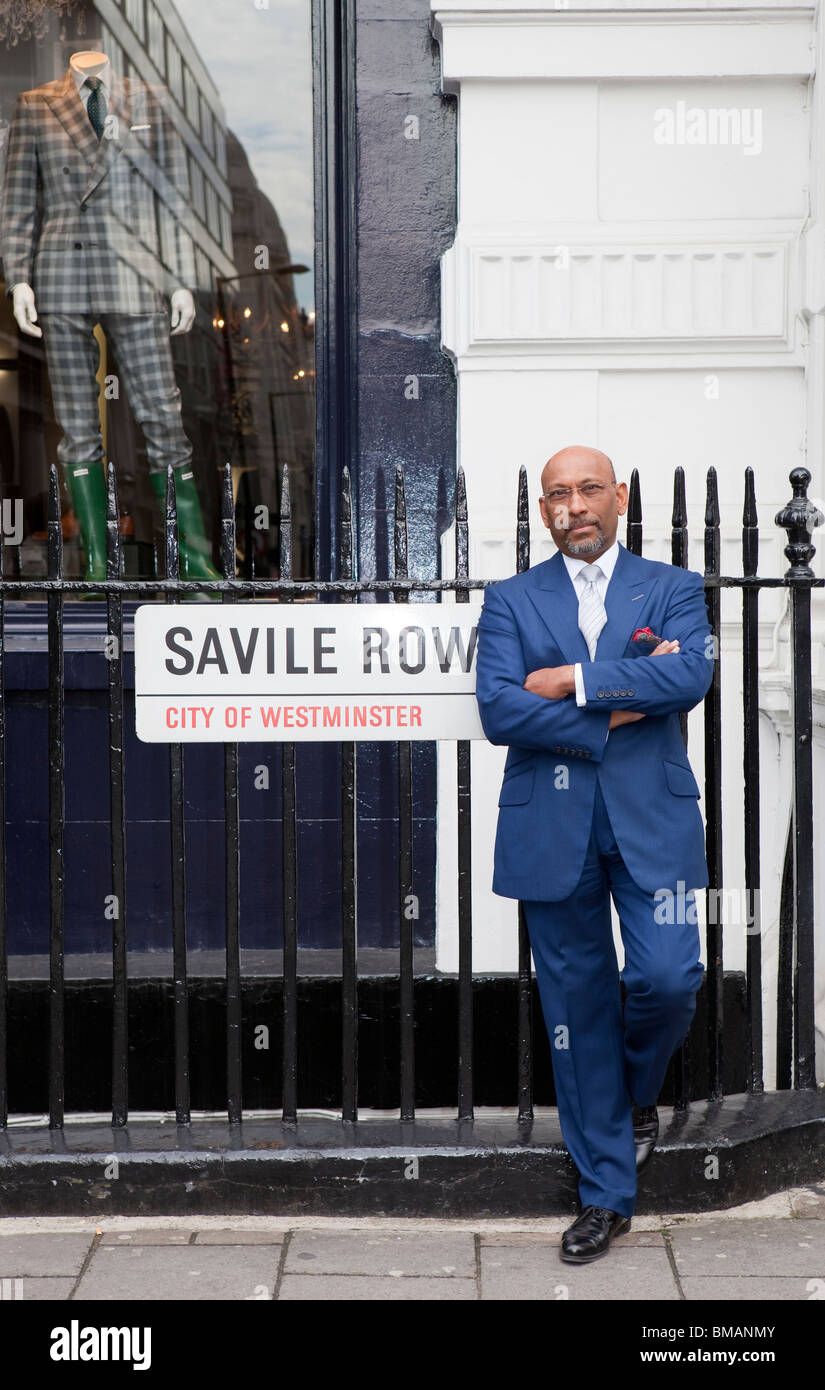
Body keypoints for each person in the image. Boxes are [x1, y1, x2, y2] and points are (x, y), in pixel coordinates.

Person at [474, 444, 713, 1263]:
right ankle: (604, 1195)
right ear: (542, 512)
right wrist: (617, 700)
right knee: (575, 1007)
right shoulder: (510, 599)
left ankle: (634, 1091)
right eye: (554, 495)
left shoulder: (673, 589)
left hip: (657, 827)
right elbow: (500, 710)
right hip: (550, 829)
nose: (571, 506)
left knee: (669, 976)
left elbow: (686, 681)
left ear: (619, 496)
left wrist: (570, 680)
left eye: (585, 490)